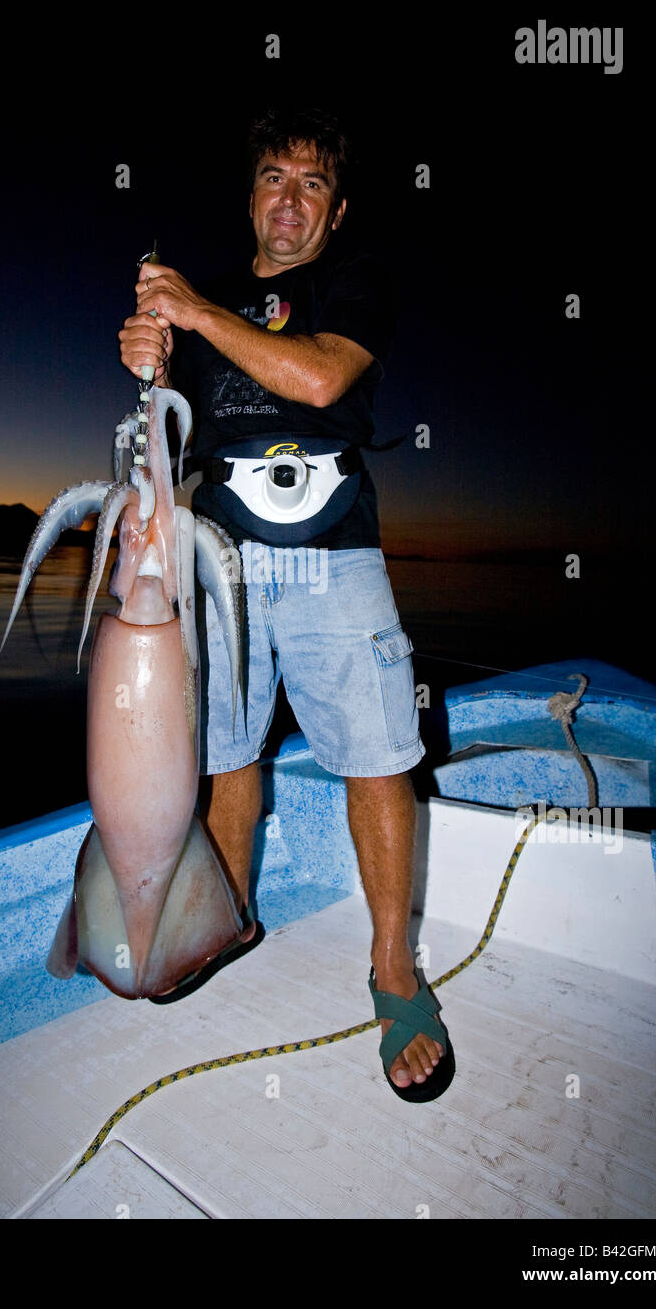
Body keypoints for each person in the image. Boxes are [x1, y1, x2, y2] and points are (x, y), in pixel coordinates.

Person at [118, 107, 454, 1101]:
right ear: (251, 194)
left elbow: (314, 377)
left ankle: (392, 971)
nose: (290, 200)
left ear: (335, 209)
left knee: (379, 757)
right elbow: (162, 423)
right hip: (221, 555)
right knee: (226, 755)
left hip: (332, 552)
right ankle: (232, 918)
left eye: (312, 184)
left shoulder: (352, 286)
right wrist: (150, 351)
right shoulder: (203, 299)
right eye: (274, 177)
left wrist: (192, 310)